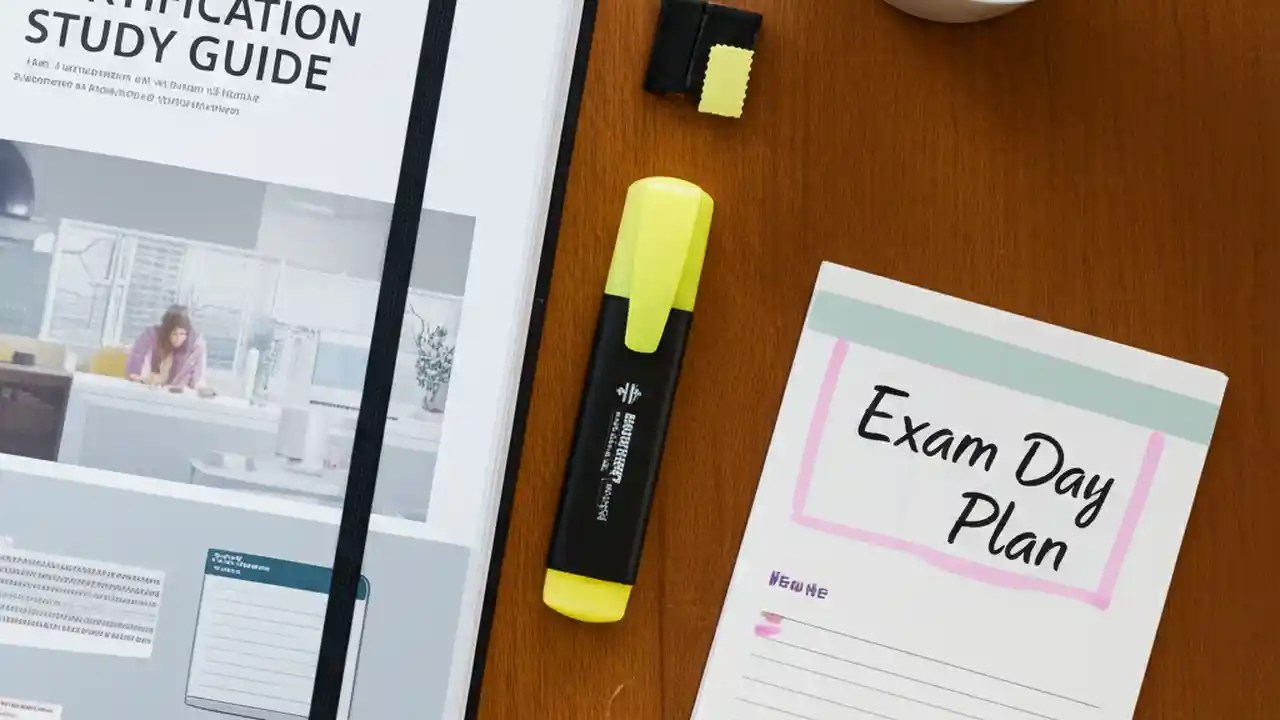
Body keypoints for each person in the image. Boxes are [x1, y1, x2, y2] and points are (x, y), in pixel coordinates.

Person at [126, 305, 208, 389]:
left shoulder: (196, 344)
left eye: (182, 334)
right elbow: (137, 366)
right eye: (174, 334)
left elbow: (199, 377)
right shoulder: (151, 336)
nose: (178, 339)